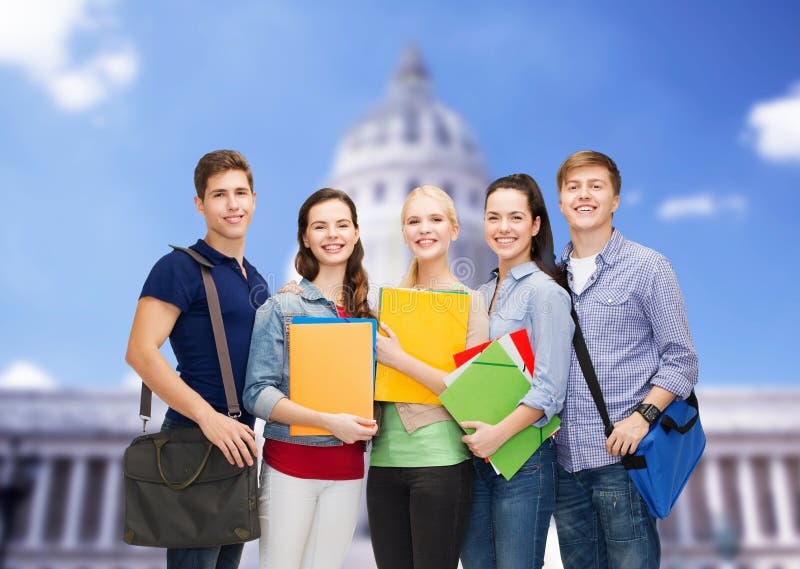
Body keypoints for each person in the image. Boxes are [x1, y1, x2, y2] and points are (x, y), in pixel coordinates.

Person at [552, 150, 699, 569]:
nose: (585, 196)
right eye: (573, 187)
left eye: (596, 187)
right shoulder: (549, 279)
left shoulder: (649, 268)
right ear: (561, 201)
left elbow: (682, 360)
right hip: (566, 466)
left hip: (623, 463)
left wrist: (642, 417)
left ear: (614, 199)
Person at [125, 149, 269, 569]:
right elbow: (139, 352)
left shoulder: (255, 278)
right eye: (219, 194)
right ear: (200, 205)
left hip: (240, 443)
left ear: (254, 200)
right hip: (196, 437)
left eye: (241, 193)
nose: (233, 204)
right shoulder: (178, 268)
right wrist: (209, 418)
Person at [243, 188, 378, 569]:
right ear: (305, 237)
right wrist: (326, 422)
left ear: (355, 233)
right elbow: (256, 393)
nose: (332, 235)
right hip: (290, 469)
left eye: (342, 225)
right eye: (320, 226)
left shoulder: (373, 312)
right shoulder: (282, 306)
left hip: (348, 473)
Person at [368, 185, 489, 569]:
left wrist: (400, 359)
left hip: (441, 463)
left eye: (436, 219)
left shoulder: (471, 302)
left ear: (454, 229)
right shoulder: (383, 304)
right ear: (403, 233)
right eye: (414, 221)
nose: (425, 229)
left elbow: (469, 392)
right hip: (384, 464)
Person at [459, 174, 574, 569]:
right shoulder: (479, 295)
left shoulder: (547, 294)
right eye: (493, 218)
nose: (503, 228)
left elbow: (550, 390)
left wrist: (499, 435)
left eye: (515, 218)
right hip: (475, 458)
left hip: (524, 460)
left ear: (535, 225)